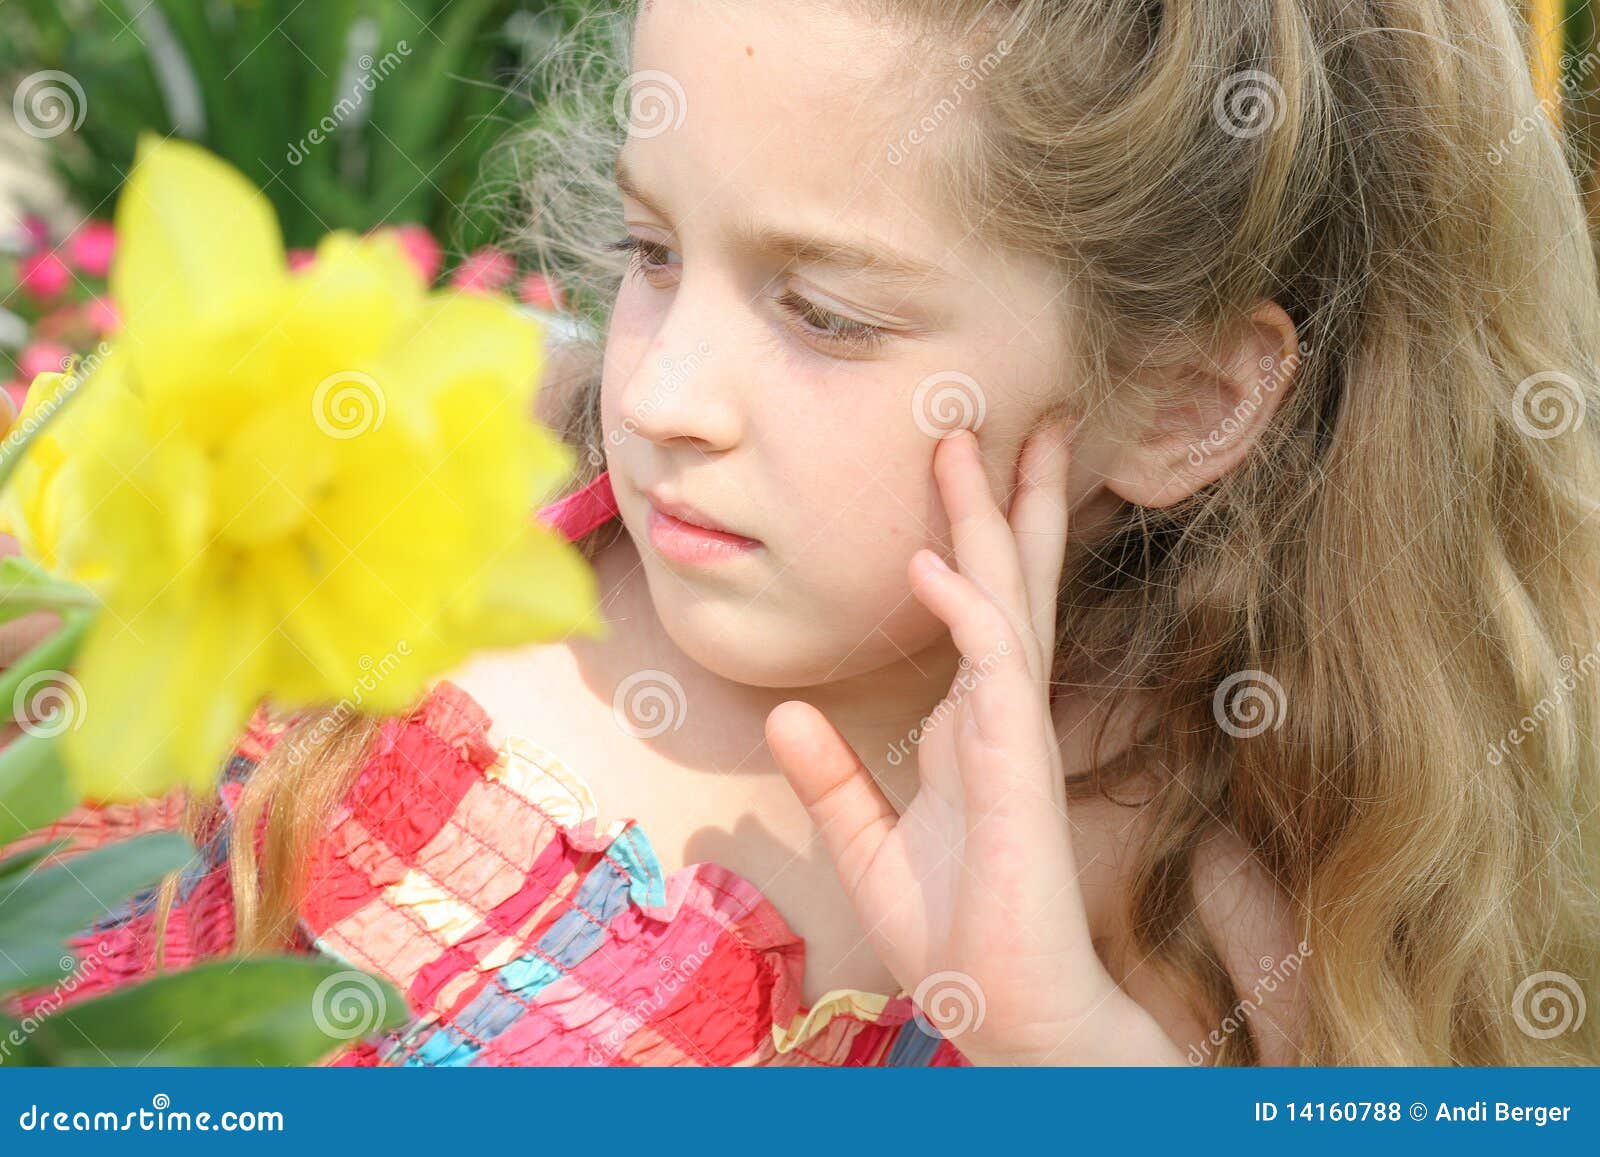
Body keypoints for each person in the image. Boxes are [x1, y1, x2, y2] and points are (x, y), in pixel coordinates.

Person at [5, 0, 1600, 1066]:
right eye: (650, 248)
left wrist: (1060, 1055)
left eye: (825, 313)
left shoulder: (1222, 916)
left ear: (1186, 398)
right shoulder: (434, 505)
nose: (658, 391)